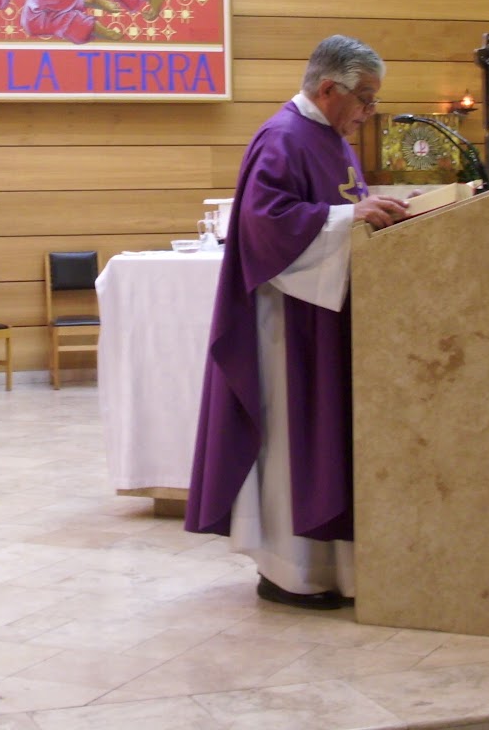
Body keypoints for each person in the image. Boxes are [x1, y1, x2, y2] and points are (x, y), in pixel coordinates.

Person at [185, 35, 408, 610]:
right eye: (364, 99)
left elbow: (341, 207)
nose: (368, 113)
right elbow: (265, 225)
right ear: (328, 88)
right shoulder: (283, 137)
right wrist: (346, 217)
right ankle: (291, 573)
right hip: (289, 328)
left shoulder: (332, 139)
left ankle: (333, 568)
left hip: (326, 320)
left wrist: (372, 214)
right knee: (293, 442)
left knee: (324, 439)